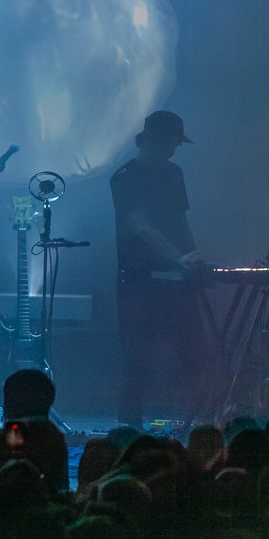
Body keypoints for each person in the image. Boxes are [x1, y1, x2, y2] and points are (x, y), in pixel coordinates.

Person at [110, 110, 213, 429]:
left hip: (177, 283)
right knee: (138, 361)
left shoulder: (174, 173)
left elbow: (181, 222)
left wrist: (193, 256)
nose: (174, 149)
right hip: (138, 284)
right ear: (154, 139)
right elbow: (140, 227)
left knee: (193, 357)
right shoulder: (124, 177)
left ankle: (199, 425)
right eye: (172, 142)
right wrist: (178, 258)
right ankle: (129, 430)